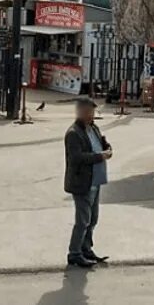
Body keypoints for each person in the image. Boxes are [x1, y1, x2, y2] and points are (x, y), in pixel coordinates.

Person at [64, 97, 113, 268]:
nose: (92, 116)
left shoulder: (93, 128)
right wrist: (100, 156)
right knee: (83, 220)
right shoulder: (73, 133)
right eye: (89, 112)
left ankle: (86, 248)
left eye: (93, 112)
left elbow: (101, 144)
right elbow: (76, 158)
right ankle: (74, 253)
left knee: (93, 219)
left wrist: (107, 148)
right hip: (82, 182)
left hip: (96, 179)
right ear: (81, 112)